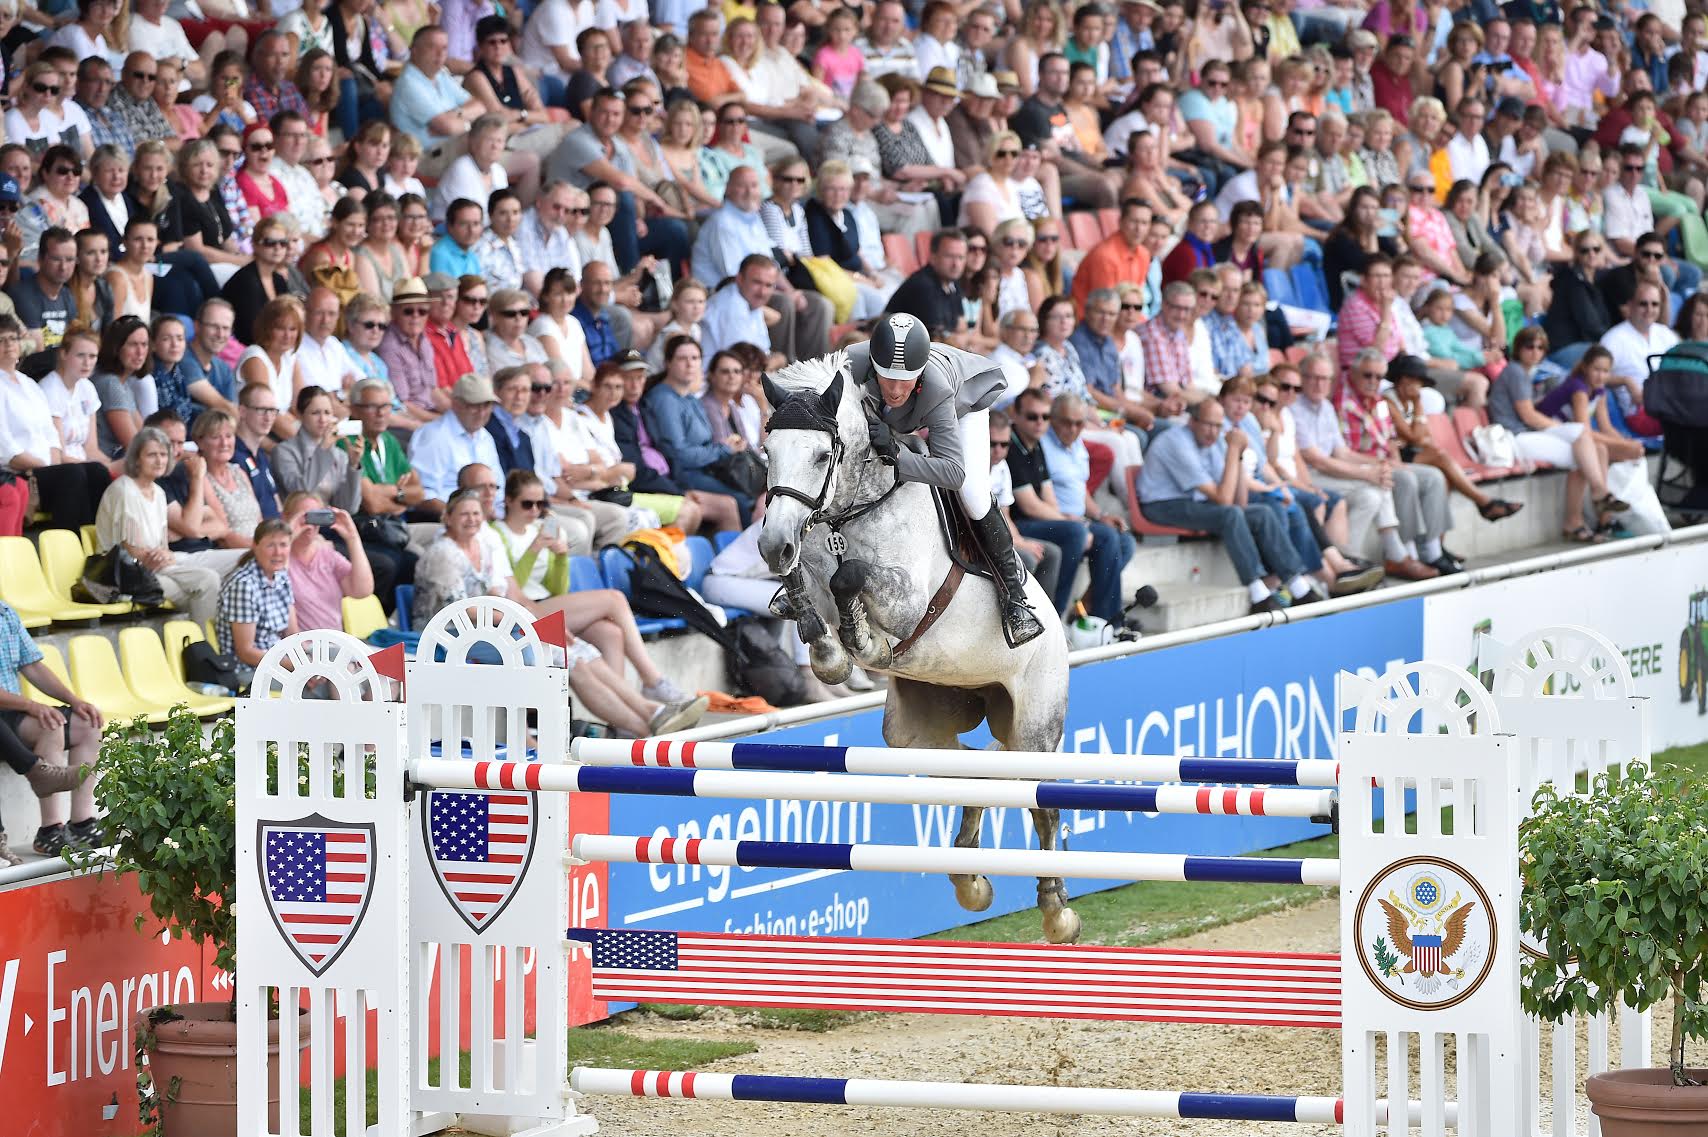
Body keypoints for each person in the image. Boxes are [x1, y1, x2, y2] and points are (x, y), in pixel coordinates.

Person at [414, 486, 705, 735]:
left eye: (476, 514)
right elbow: (463, 611)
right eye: (464, 514)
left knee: (578, 651)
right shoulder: (444, 553)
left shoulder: (482, 545)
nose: (472, 520)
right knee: (568, 661)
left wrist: (556, 566)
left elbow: (504, 594)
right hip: (453, 639)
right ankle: (646, 727)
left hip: (493, 631)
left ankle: (648, 713)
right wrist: (527, 625)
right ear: (447, 517)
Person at [827, 315, 1045, 646]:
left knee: (972, 493)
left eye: (906, 380)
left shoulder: (938, 388)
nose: (896, 390)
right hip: (896, 417)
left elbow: (952, 471)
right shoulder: (847, 365)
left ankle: (1014, 598)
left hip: (964, 402)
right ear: (872, 365)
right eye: (888, 378)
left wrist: (896, 457)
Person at [490, 468, 694, 704]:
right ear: (508, 501)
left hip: (545, 602)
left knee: (611, 633)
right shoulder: (498, 533)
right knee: (614, 599)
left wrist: (560, 559)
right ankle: (653, 681)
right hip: (521, 610)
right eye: (527, 504)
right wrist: (534, 551)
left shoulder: (538, 528)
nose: (535, 511)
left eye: (540, 504)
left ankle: (621, 720)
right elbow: (511, 587)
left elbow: (557, 589)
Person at [1138, 396, 1318, 614]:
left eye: (1217, 425)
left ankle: (1298, 586)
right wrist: (1233, 450)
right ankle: (1257, 592)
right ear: (1192, 421)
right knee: (1230, 515)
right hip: (1161, 505)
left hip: (1193, 502)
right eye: (1208, 424)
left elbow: (1238, 501)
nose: (1213, 432)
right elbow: (1224, 500)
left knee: (1262, 513)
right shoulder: (1175, 442)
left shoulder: (1214, 442)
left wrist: (1239, 456)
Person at [0, 600, 102, 861]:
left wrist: (74, 700)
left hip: (11, 713)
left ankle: (82, 824)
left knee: (85, 722)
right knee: (51, 723)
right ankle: (51, 829)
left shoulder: (5, 611)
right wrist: (32, 705)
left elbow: (32, 666)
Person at [94, 425, 222, 622]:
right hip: (125, 576)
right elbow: (134, 551)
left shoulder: (158, 492)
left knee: (208, 584)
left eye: (163, 454)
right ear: (136, 458)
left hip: (155, 568)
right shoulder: (124, 490)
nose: (160, 460)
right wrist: (162, 557)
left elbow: (162, 547)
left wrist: (165, 555)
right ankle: (203, 646)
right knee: (207, 582)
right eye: (151, 455)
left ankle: (200, 646)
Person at [0, 317, 111, 532]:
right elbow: (5, 448)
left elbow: (50, 435)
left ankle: (98, 546)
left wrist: (54, 462)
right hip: (19, 472)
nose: (8, 345)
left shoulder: (28, 384)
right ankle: (70, 542)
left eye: (13, 339)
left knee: (96, 472)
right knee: (70, 474)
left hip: (46, 468)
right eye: (1, 340)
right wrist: (48, 467)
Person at [283, 493, 376, 631]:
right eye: (304, 516)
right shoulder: (277, 559)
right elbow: (274, 586)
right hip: (297, 648)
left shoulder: (328, 555)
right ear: (286, 517)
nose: (310, 524)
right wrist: (287, 536)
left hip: (333, 645)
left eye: (316, 517)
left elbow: (362, 591)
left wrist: (352, 537)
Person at [1599, 279, 1678, 438]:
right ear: (1630, 305)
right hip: (1642, 413)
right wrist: (1625, 381)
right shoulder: (1613, 339)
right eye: (1643, 304)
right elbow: (1591, 376)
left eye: (1655, 304)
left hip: (1672, 404)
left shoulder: (1666, 334)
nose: (1649, 309)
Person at [408, 372, 503, 504]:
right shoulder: (434, 435)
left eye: (487, 405)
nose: (482, 412)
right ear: (456, 404)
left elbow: (499, 489)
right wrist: (454, 515)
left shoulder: (486, 437)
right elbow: (424, 494)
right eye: (474, 405)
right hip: (444, 518)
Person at [216, 518, 298, 665]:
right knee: (328, 679)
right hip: (252, 669)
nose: (278, 552)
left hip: (280, 659)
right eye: (270, 545)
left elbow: (293, 635)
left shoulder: (282, 576)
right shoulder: (244, 585)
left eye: (283, 545)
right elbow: (246, 652)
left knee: (341, 662)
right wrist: (298, 668)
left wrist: (311, 663)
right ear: (255, 546)